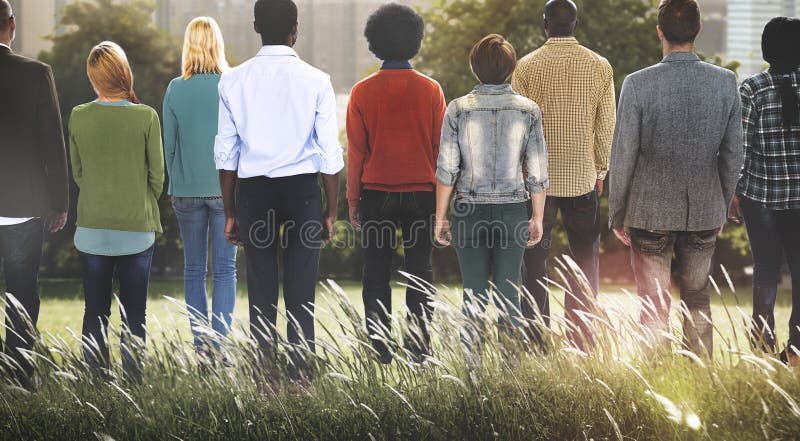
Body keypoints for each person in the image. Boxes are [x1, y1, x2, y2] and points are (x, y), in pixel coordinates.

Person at [215, 0, 343, 380]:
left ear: (256, 27)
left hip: (254, 192)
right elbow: (329, 154)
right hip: (303, 191)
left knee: (261, 283)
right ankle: (301, 376)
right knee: (302, 287)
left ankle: (264, 374)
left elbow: (227, 153)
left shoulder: (232, 80)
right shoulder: (317, 80)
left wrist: (231, 211)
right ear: (296, 28)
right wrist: (330, 211)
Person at [609, 0, 742, 358]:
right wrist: (720, 204)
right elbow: (733, 155)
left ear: (659, 31)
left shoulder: (637, 84)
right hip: (703, 210)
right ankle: (700, 375)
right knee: (697, 297)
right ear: (698, 31)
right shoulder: (726, 82)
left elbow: (623, 155)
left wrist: (617, 214)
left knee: (653, 303)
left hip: (648, 212)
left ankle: (655, 382)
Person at [511, 0, 616, 350]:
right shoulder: (600, 66)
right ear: (575, 23)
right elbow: (605, 128)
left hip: (535, 183)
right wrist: (600, 170)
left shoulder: (525, 67)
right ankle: (582, 340)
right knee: (585, 260)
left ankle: (535, 340)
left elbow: (518, 129)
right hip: (582, 179)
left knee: (533, 261)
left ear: (545, 25)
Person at [346, 3, 446, 364]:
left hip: (376, 194)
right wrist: (443, 205)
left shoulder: (361, 92)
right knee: (420, 272)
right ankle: (419, 350)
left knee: (375, 274)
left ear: (374, 42)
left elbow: (355, 153)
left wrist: (353, 200)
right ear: (416, 40)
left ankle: (380, 349)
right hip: (422, 194)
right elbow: (441, 152)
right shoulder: (432, 90)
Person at [435, 34, 548, 348]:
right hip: (512, 210)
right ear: (511, 68)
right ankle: (510, 371)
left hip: (468, 211)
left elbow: (447, 170)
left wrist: (440, 217)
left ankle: (471, 371)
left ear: (474, 67)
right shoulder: (528, 110)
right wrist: (536, 216)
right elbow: (537, 171)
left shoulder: (458, 110)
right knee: (509, 291)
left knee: (473, 292)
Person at [69, 41, 164, 380]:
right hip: (137, 231)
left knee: (94, 311)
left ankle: (96, 381)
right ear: (124, 73)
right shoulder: (146, 116)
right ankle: (133, 382)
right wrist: (138, 199)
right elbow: (158, 177)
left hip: (91, 230)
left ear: (93, 77)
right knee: (134, 313)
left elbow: (78, 173)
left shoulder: (79, 116)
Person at [0, 0, 69, 386]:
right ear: (11, 25)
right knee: (23, 290)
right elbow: (52, 143)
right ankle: (21, 372)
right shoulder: (37, 73)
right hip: (25, 206)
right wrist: (58, 201)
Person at [163, 17, 237, 357]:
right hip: (227, 191)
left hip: (187, 192)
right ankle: (219, 348)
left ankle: (202, 349)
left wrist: (176, 186)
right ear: (217, 44)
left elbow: (170, 146)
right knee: (225, 270)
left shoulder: (176, 88)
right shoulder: (232, 84)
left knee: (194, 269)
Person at [729, 17, 800, 366]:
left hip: (762, 199)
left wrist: (733, 192)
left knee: (766, 271)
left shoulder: (752, 88)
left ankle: (762, 351)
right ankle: (798, 352)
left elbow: (739, 149)